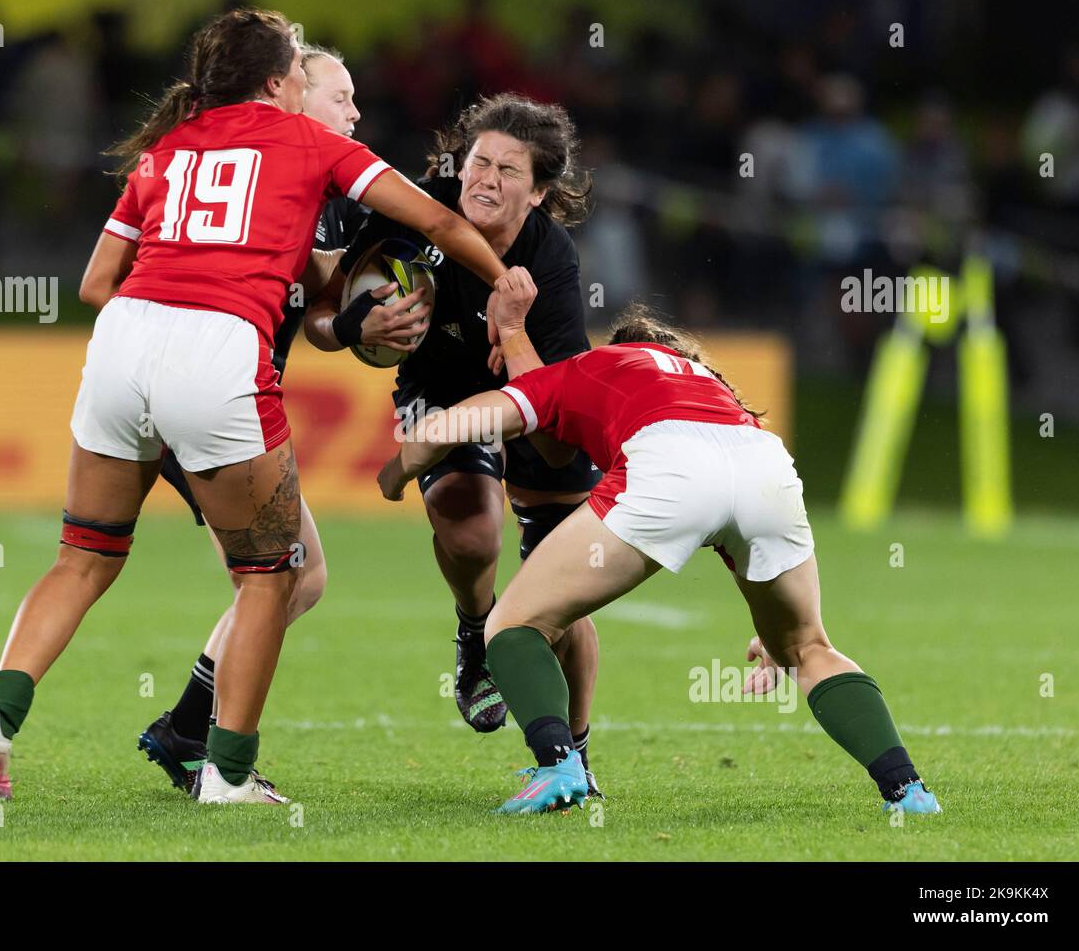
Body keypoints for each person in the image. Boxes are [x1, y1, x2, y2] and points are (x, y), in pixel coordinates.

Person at [0, 8, 514, 806]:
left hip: (125, 338)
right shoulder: (310, 144)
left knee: (81, 558)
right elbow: (436, 219)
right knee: (271, 573)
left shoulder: (170, 144)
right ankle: (226, 772)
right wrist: (503, 284)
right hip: (216, 357)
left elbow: (94, 285)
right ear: (277, 81)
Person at [377, 302, 942, 817]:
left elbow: (449, 426)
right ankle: (908, 790)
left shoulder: (594, 366)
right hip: (765, 463)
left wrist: (397, 473)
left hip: (668, 466)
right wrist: (773, 631)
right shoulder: (714, 387)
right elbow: (728, 509)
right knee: (809, 647)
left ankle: (558, 764)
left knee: (515, 623)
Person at [305, 94, 608, 793]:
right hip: (436, 388)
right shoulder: (410, 211)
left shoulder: (551, 263)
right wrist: (355, 331)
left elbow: (555, 413)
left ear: (538, 192)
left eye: (509, 169)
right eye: (479, 160)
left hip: (530, 398)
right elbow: (318, 316)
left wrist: (512, 334)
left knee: (561, 592)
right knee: (472, 534)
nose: (486, 178)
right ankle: (476, 632)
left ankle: (576, 756)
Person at [136, 43, 379, 795]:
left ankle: (184, 730)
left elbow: (317, 316)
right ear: (296, 97)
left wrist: (362, 321)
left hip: (190, 394)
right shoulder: (271, 174)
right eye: (341, 96)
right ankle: (207, 751)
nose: (355, 111)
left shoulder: (305, 182)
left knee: (288, 578)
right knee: (281, 577)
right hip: (201, 398)